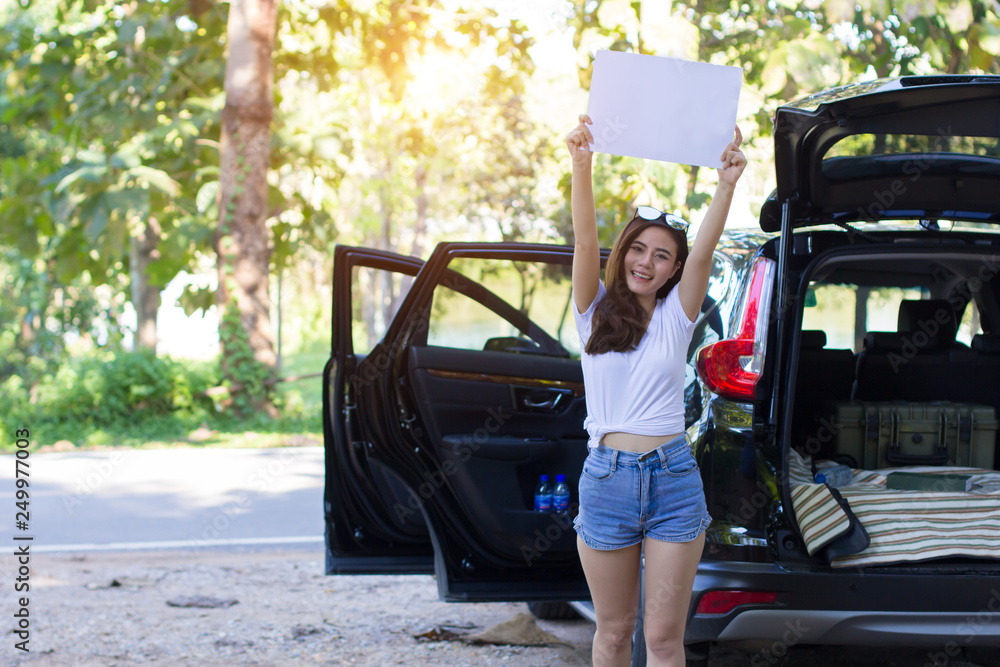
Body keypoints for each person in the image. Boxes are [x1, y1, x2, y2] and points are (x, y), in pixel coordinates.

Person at [565, 113, 746, 667]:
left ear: (673, 270)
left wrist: (727, 183)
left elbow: (707, 247)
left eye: (662, 255)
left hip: (672, 479)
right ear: (624, 253)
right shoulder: (592, 311)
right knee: (614, 635)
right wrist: (581, 163)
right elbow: (585, 234)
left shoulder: (677, 316)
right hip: (607, 480)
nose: (648, 262)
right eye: (639, 249)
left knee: (664, 641)